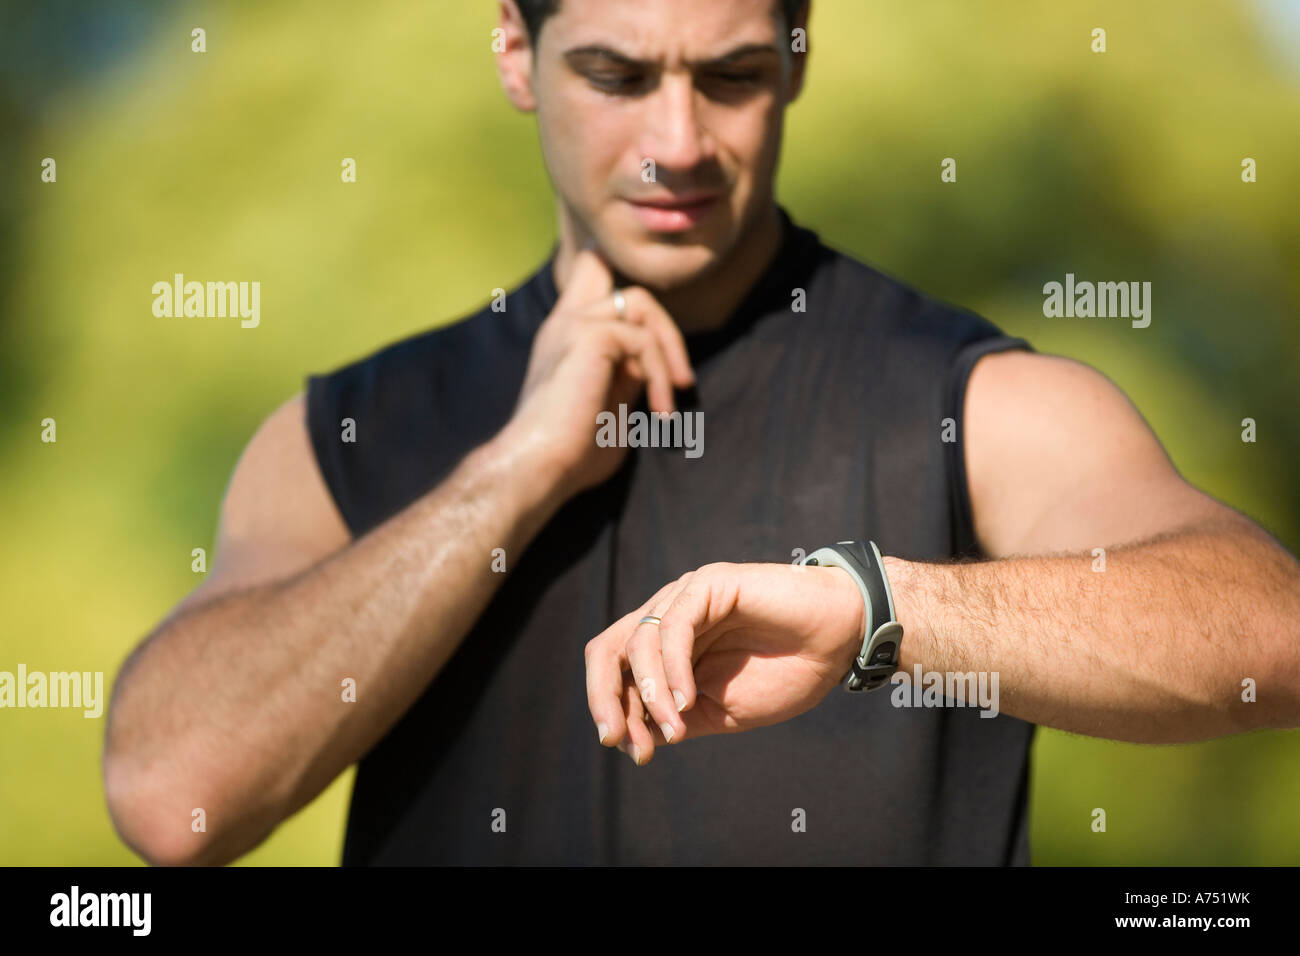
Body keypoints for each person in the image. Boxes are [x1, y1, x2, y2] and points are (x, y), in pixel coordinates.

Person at [103, 0, 1300, 866]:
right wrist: (514, 472)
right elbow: (172, 800)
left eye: (727, 76)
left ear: (795, 57)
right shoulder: (350, 429)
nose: (677, 142)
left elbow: (1269, 636)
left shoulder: (966, 396)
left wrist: (875, 612)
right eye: (617, 76)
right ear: (516, 54)